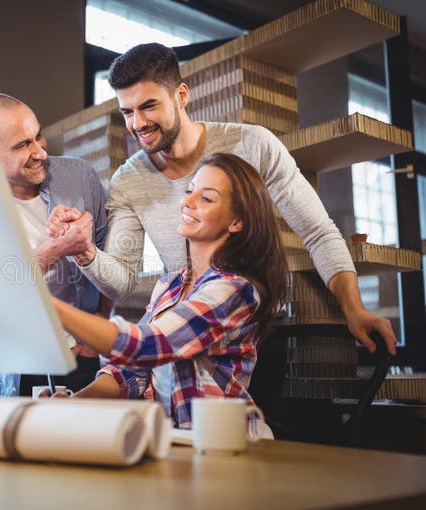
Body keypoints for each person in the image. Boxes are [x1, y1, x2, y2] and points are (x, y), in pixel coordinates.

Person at [48, 42, 397, 356]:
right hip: (184, 329)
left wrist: (354, 308)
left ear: (181, 95)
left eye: (148, 106)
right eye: (127, 112)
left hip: (252, 330)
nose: (138, 123)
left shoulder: (253, 145)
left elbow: (318, 232)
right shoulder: (128, 179)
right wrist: (85, 251)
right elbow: (122, 281)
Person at [53, 153, 286, 433]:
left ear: (236, 221)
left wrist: (51, 307)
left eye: (206, 198)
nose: (187, 202)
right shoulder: (170, 285)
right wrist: (70, 405)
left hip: (226, 444)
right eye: (189, 191)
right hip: (176, 443)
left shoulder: (233, 289)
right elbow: (130, 372)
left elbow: (146, 346)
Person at [0, 92, 110, 397]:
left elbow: (110, 256)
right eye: (22, 145)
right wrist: (55, 249)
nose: (40, 152)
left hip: (79, 356)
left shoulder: (80, 178)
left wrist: (99, 322)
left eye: (38, 136)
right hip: (7, 365)